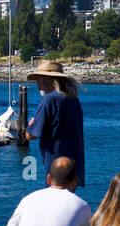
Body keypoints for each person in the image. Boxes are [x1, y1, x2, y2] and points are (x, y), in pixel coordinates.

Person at [26, 61, 85, 189]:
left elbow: (30, 135)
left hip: (56, 166)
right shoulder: (73, 100)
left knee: (52, 202)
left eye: (38, 79)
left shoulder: (49, 100)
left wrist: (30, 125)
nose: (37, 84)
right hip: (74, 166)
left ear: (48, 80)